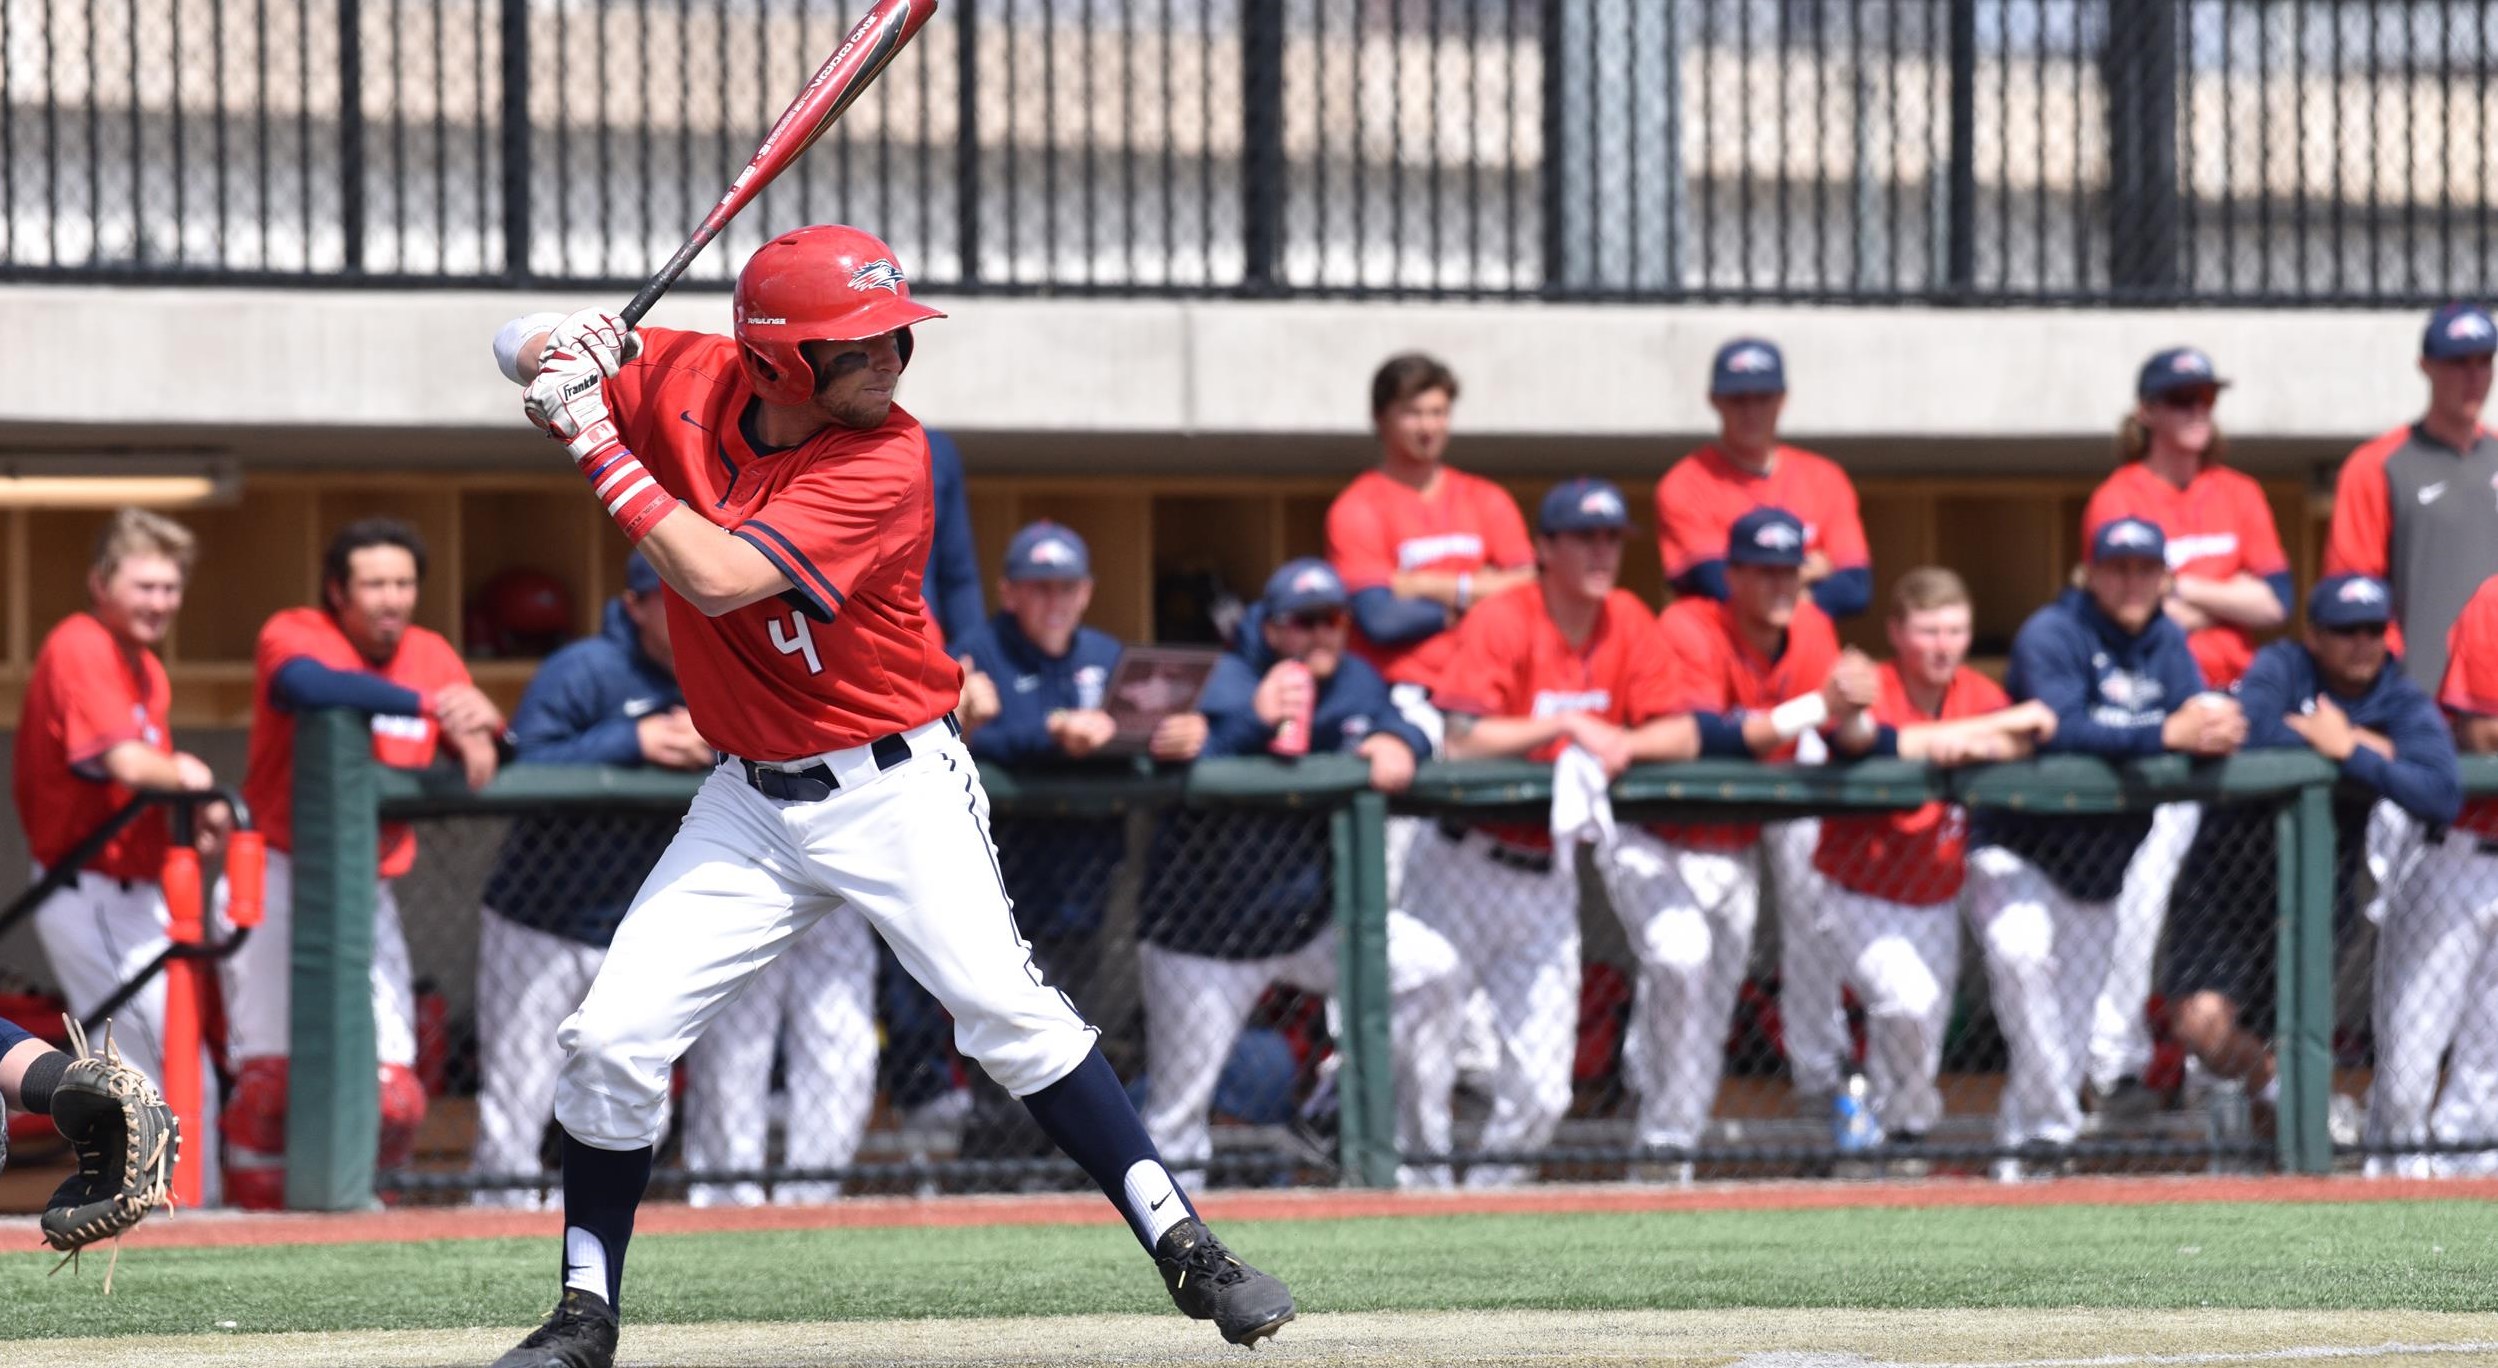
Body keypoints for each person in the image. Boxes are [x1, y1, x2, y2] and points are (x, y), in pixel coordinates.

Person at [492, 225, 1292, 1366]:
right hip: (748, 800)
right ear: (775, 361)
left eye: (896, 339)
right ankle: (584, 1312)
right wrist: (555, 344)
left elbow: (716, 579)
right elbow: (507, 340)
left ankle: (1188, 1249)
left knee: (1008, 1016)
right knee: (610, 1042)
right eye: (857, 346)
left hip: (892, 780)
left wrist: (588, 438)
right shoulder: (682, 373)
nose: (890, 361)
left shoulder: (889, 460)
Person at [1413, 479, 1701, 1188]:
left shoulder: (1628, 618)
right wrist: (1568, 725)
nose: (1603, 552)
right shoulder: (1506, 615)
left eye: (1612, 539)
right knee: (1417, 1061)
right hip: (1460, 862)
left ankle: (1477, 1212)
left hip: (1548, 876)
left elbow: (1686, 732)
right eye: (1585, 537)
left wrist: (1629, 743)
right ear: (1545, 548)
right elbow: (1461, 738)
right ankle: (1412, 1205)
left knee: (1545, 1091)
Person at [1134, 559, 1458, 1186]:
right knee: (1176, 1116)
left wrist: (1402, 741)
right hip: (1202, 939)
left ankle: (1404, 1157)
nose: (1320, 635)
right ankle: (1175, 1247)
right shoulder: (1226, 677)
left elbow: (1404, 716)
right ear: (1272, 627)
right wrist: (1251, 717)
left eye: (1333, 620)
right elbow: (1171, 758)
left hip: (1308, 926)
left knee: (1431, 971)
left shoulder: (1355, 680)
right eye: (1303, 622)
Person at [217, 518, 503, 1210]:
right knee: (270, 1087)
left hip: (368, 886)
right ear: (338, 591)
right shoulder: (298, 630)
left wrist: (483, 728)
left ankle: (373, 1223)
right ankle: (255, 1232)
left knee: (395, 1092)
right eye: (374, 584)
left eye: (403, 584)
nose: (391, 599)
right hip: (282, 870)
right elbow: (307, 686)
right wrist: (428, 704)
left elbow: (477, 732)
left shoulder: (431, 653)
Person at [1965, 517, 2244, 1181]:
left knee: (2067, 1033)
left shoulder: (2167, 642)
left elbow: (2190, 725)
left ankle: (2022, 1163)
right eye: (2116, 566)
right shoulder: (2051, 632)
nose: (2130, 579)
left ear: (2163, 577)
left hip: (2100, 871)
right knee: (2022, 959)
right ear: (2089, 572)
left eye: (2143, 567)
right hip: (2019, 847)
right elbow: (2059, 728)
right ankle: (2050, 1139)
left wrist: (2211, 726)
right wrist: (2164, 732)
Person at [1615, 507, 1878, 1175]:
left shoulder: (1812, 628)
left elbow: (1847, 735)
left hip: (1730, 845)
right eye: (1762, 572)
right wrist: (1822, 705)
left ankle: (1669, 1153)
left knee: (1706, 1001)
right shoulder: (1689, 625)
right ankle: (1646, 1103)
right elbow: (1715, 736)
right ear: (1732, 575)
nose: (1777, 585)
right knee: (1679, 962)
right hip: (1653, 835)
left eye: (1788, 571)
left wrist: (1856, 704)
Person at [1653, 337, 1876, 1115]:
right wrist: (1802, 573)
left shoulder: (1821, 478)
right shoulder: (1689, 483)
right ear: (1718, 403)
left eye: (1764, 395)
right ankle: (1651, 1087)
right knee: (1685, 950)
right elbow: (1707, 580)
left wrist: (1787, 579)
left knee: (1813, 901)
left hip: (1795, 703)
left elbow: (1855, 585)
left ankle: (1819, 1072)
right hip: (1723, 712)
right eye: (1738, 396)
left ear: (1782, 399)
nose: (1753, 409)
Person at [949, 521, 1208, 1173]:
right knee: (1000, 1030)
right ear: (1009, 592)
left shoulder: (1104, 653)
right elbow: (949, 738)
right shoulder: (980, 649)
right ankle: (997, 1169)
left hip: (1091, 878)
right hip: (996, 874)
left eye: (1065, 587)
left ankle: (1064, 1168)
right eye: (1038, 589)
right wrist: (1046, 734)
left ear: (1087, 591)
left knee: (1075, 1026)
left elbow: (1160, 719)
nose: (1053, 602)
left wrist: (1152, 734)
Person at [2163, 575, 2456, 1144]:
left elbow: (2439, 790)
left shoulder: (2395, 694)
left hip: (2317, 890)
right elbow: (2247, 734)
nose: (2363, 643)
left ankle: (2282, 1176)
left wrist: (2348, 747)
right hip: (2225, 877)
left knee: (2290, 1035)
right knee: (2201, 1024)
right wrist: (2364, 749)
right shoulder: (2284, 665)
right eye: (2347, 632)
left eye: (2374, 630)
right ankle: (2274, 1084)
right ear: (2316, 636)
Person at [2080, 346, 2292, 1120]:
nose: (2195, 409)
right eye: (2178, 397)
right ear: (2146, 414)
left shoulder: (2236, 492)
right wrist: (2214, 597)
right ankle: (2118, 1066)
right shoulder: (2118, 493)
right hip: (2160, 712)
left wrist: (2178, 588)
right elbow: (2126, 605)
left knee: (2240, 890)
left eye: (2204, 395)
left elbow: (2273, 605)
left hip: (2239, 718)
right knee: (2142, 894)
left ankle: (2226, 1068)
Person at [469, 553, 708, 1209]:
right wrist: (632, 741)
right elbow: (524, 766)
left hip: (644, 924)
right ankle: (497, 1224)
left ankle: (598, 1221)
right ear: (633, 606)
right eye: (665, 598)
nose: (683, 609)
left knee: (640, 1100)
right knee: (517, 1096)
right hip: (540, 919)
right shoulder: (584, 669)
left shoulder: (718, 666)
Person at [14, 509, 226, 1193]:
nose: (159, 601)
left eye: (170, 587)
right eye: (144, 585)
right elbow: (130, 764)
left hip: (133, 893)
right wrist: (193, 779)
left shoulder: (145, 669)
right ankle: (178, 1223)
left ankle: (183, 1213)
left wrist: (192, 802)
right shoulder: (81, 642)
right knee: (158, 1069)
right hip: (92, 888)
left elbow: (148, 782)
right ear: (100, 584)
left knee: (173, 1065)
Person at [1807, 568, 2056, 1148]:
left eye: (1955, 631)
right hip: (1859, 889)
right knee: (1907, 1003)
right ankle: (1889, 1117)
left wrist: (1982, 736)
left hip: (1937, 893)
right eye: (1928, 631)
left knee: (1922, 1039)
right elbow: (1858, 736)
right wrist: (1974, 737)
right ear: (1895, 631)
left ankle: (1901, 1135)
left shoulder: (1975, 691)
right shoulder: (1877, 687)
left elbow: (2030, 733)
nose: (1943, 645)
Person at [1325, 352, 1536, 752]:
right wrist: (1479, 594)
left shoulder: (1485, 498)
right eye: (1414, 413)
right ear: (1380, 417)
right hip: (1402, 697)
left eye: (1439, 413)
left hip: (1487, 692)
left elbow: (1530, 592)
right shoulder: (1357, 505)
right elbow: (1382, 619)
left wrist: (1423, 585)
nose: (1429, 427)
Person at [2367, 572, 2498, 1177]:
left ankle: (2463, 1244)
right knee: (2407, 1070)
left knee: (2486, 1085)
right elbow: (2481, 733)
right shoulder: (2493, 600)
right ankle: (2384, 1213)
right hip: (2456, 854)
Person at [2326, 302, 2498, 691]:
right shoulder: (2377, 465)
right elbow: (2351, 593)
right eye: (2458, 362)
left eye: (2484, 361)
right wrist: (2393, 684)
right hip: (2421, 700)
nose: (2473, 377)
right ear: (2426, 366)